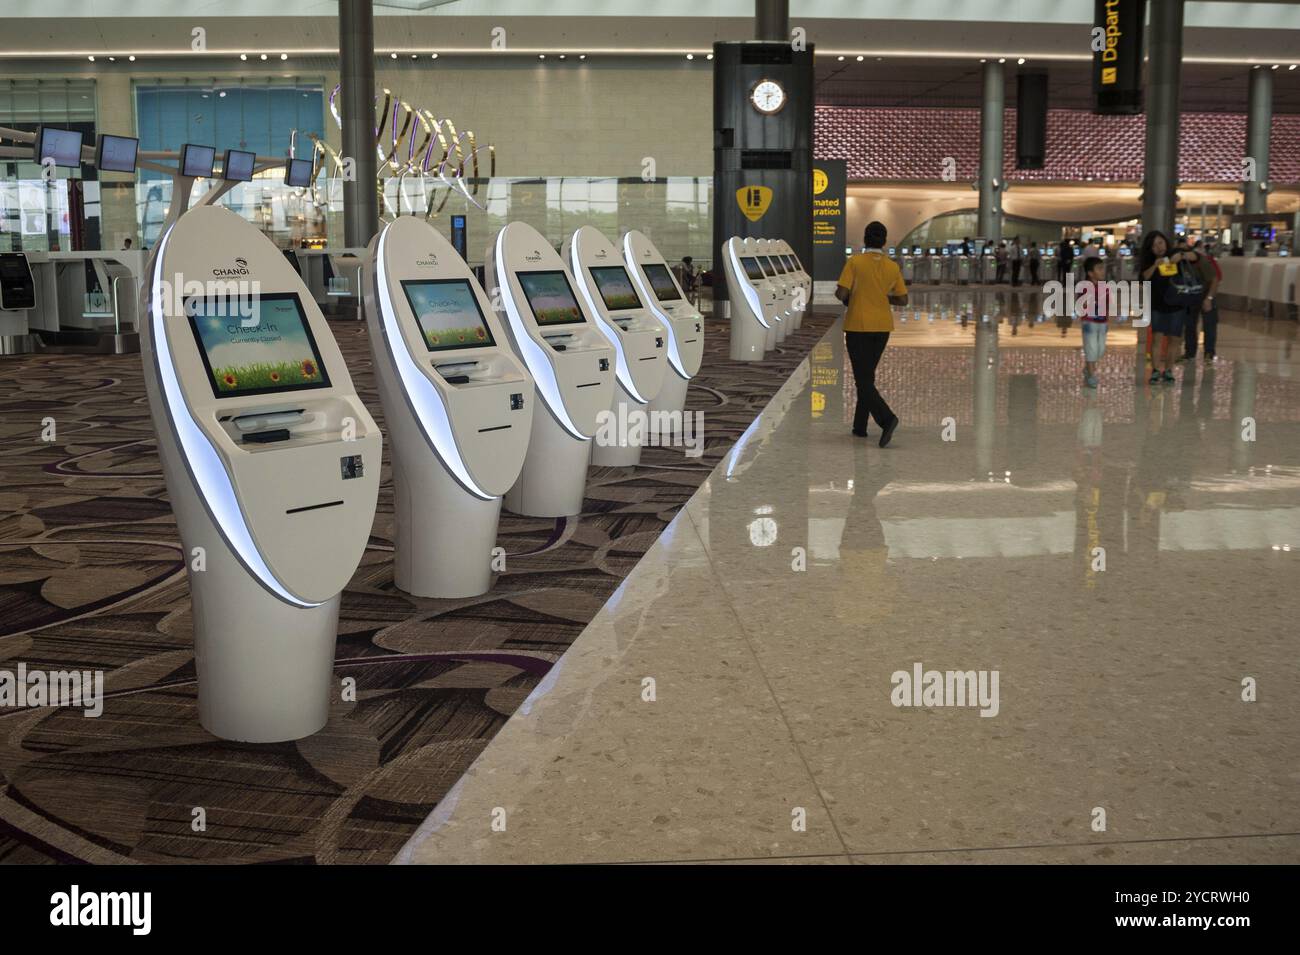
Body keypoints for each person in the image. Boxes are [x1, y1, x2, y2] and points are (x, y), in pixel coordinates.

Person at [835, 220, 903, 447]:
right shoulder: (892, 267)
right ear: (884, 241)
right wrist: (884, 297)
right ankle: (860, 426)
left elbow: (841, 292)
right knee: (867, 376)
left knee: (862, 379)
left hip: (858, 326)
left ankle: (887, 419)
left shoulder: (854, 262)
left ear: (865, 239)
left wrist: (849, 296)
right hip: (882, 327)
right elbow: (903, 299)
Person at [1139, 230, 1192, 384]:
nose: (1158, 247)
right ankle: (1156, 371)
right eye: (1154, 245)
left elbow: (1195, 257)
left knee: (1174, 339)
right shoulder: (1149, 261)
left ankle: (1168, 371)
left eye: (1160, 242)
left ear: (1166, 242)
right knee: (1157, 338)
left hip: (1177, 303)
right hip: (1157, 304)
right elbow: (1143, 278)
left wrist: (1181, 256)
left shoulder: (1175, 254)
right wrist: (1155, 265)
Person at [1184, 239, 1220, 362]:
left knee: (1209, 324)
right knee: (1189, 324)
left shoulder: (1202, 261)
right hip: (1191, 297)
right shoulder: (1181, 264)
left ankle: (1209, 353)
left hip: (1207, 294)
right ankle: (1190, 353)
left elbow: (1215, 280)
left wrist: (1209, 299)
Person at [1076, 256, 1109, 388]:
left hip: (1102, 322)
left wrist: (1107, 318)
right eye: (1099, 269)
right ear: (1090, 273)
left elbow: (1107, 303)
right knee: (1091, 348)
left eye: (1102, 268)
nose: (1102, 271)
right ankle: (1091, 374)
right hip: (1089, 322)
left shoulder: (1104, 286)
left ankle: (1087, 367)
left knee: (1100, 350)